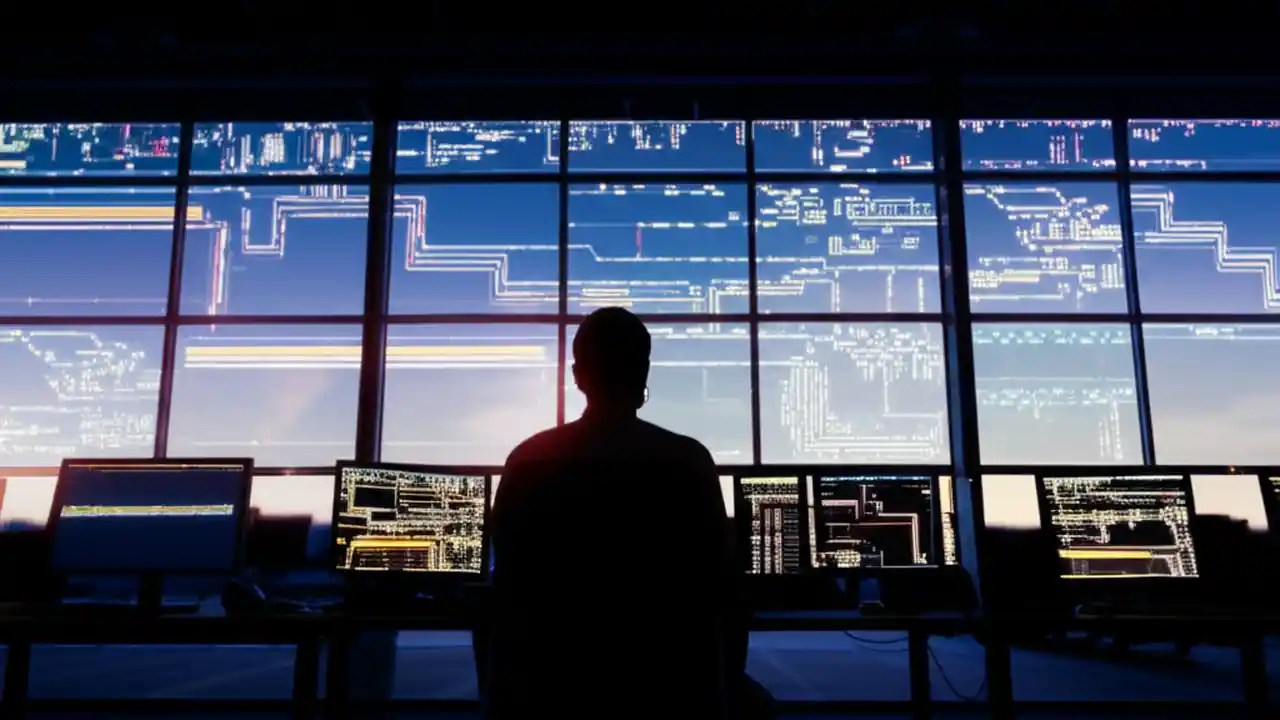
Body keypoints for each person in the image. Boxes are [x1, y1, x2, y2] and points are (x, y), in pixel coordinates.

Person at [484, 307, 753, 719]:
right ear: (643, 372)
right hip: (670, 690)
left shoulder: (528, 460)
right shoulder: (688, 461)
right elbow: (722, 588)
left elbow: (507, 589)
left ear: (577, 375)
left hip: (552, 690)